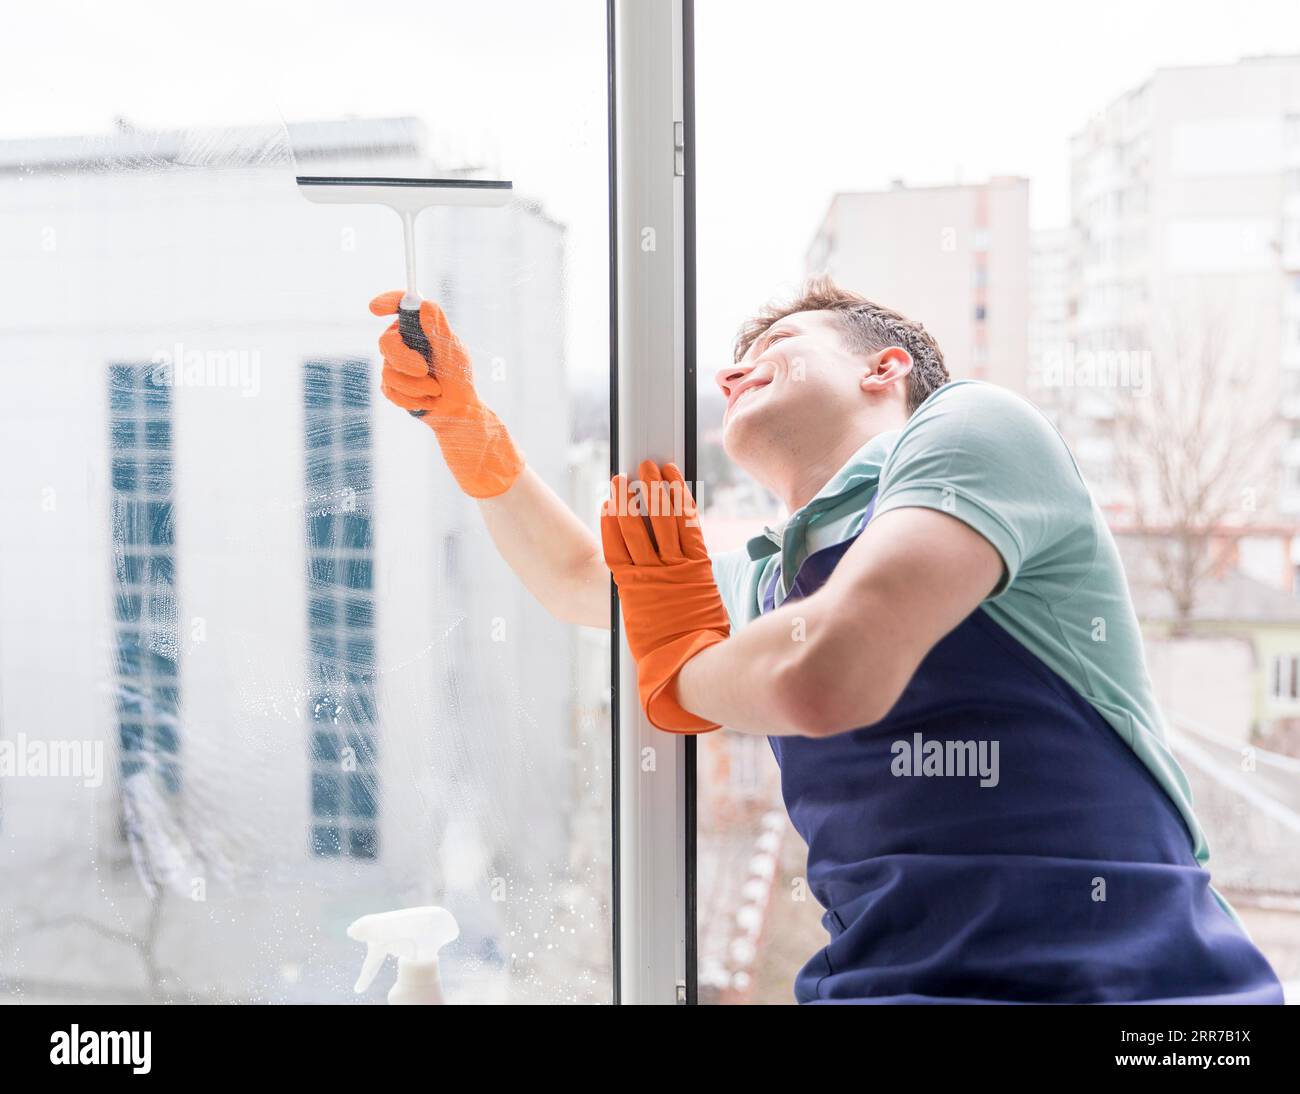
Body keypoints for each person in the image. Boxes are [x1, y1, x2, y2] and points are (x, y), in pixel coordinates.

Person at [369, 278, 1284, 1005]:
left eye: (774, 349)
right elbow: (577, 583)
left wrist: (681, 661)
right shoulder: (771, 581)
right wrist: (465, 429)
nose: (733, 374)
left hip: (1141, 994)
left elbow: (828, 673)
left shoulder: (976, 429)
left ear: (884, 369)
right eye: (730, 368)